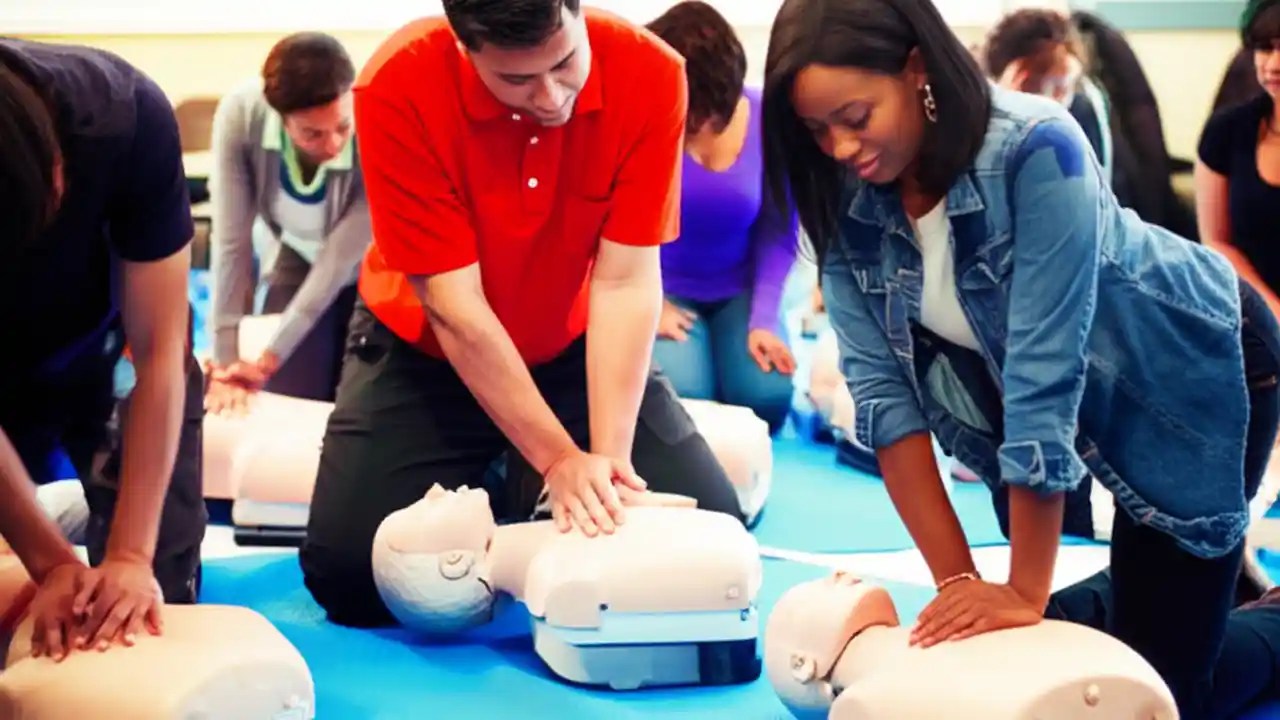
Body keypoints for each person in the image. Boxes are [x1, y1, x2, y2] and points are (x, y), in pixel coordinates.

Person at [761, 0, 1280, 718]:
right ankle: (1202, 587)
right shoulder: (842, 195)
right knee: (1036, 646)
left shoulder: (1036, 145)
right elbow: (884, 400)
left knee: (1157, 696)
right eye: (817, 131)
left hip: (1196, 367)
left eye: (855, 117)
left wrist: (1020, 593)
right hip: (1054, 397)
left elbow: (1045, 380)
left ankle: (1265, 610)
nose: (841, 148)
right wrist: (958, 590)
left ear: (916, 70)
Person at [298, 0, 744, 628]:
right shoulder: (397, 83)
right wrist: (560, 460)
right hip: (427, 351)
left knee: (710, 532)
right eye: (516, 80)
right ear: (464, 44)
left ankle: (520, 477)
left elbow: (624, 280)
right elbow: (456, 311)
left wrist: (606, 467)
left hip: (571, 343)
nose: (552, 97)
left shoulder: (652, 72)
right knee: (349, 580)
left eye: (565, 63)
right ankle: (515, 470)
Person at [0, 39, 206, 660]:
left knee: (145, 612)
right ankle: (51, 518)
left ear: (60, 173)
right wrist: (49, 562)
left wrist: (130, 554)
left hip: (108, 347)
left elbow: (161, 348)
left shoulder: (124, 117)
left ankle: (76, 511)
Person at [642, 1, 800, 435]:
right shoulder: (644, 122)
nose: (694, 135)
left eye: (704, 119)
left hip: (739, 289)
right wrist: (648, 304)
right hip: (665, 290)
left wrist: (764, 318)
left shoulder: (769, 119)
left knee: (765, 396)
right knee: (684, 399)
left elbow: (779, 232)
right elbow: (603, 227)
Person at [205, 32, 369, 412]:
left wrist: (271, 354)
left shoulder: (375, 120)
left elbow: (338, 260)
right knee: (287, 396)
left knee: (354, 395)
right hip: (295, 253)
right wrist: (226, 359)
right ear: (281, 119)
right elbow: (233, 243)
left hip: (371, 264)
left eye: (342, 127)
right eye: (312, 133)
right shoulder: (241, 115)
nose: (332, 145)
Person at [1197, 0, 1280, 323]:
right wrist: (1273, 315)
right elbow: (1217, 242)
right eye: (1264, 48)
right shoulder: (1227, 130)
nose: (1273, 64)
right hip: (1252, 318)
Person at [981, 8, 1115, 186]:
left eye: (1067, 82)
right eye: (1056, 85)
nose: (1063, 93)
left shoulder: (1082, 111)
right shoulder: (986, 125)